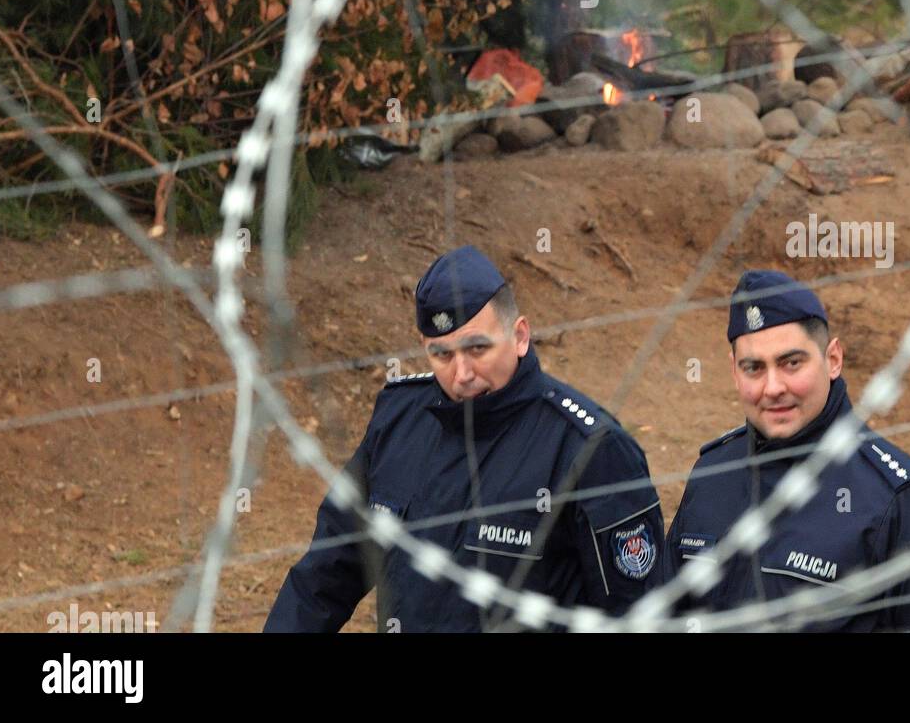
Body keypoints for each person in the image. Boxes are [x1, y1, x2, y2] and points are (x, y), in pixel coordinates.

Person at [265, 244, 664, 632]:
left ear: (520, 336)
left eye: (477, 348)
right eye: (442, 355)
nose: (462, 375)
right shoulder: (399, 420)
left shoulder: (590, 448)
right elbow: (327, 574)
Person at [667, 269, 910, 632]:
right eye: (754, 367)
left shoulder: (900, 503)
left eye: (791, 363)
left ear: (833, 360)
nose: (772, 387)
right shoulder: (712, 475)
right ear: (735, 372)